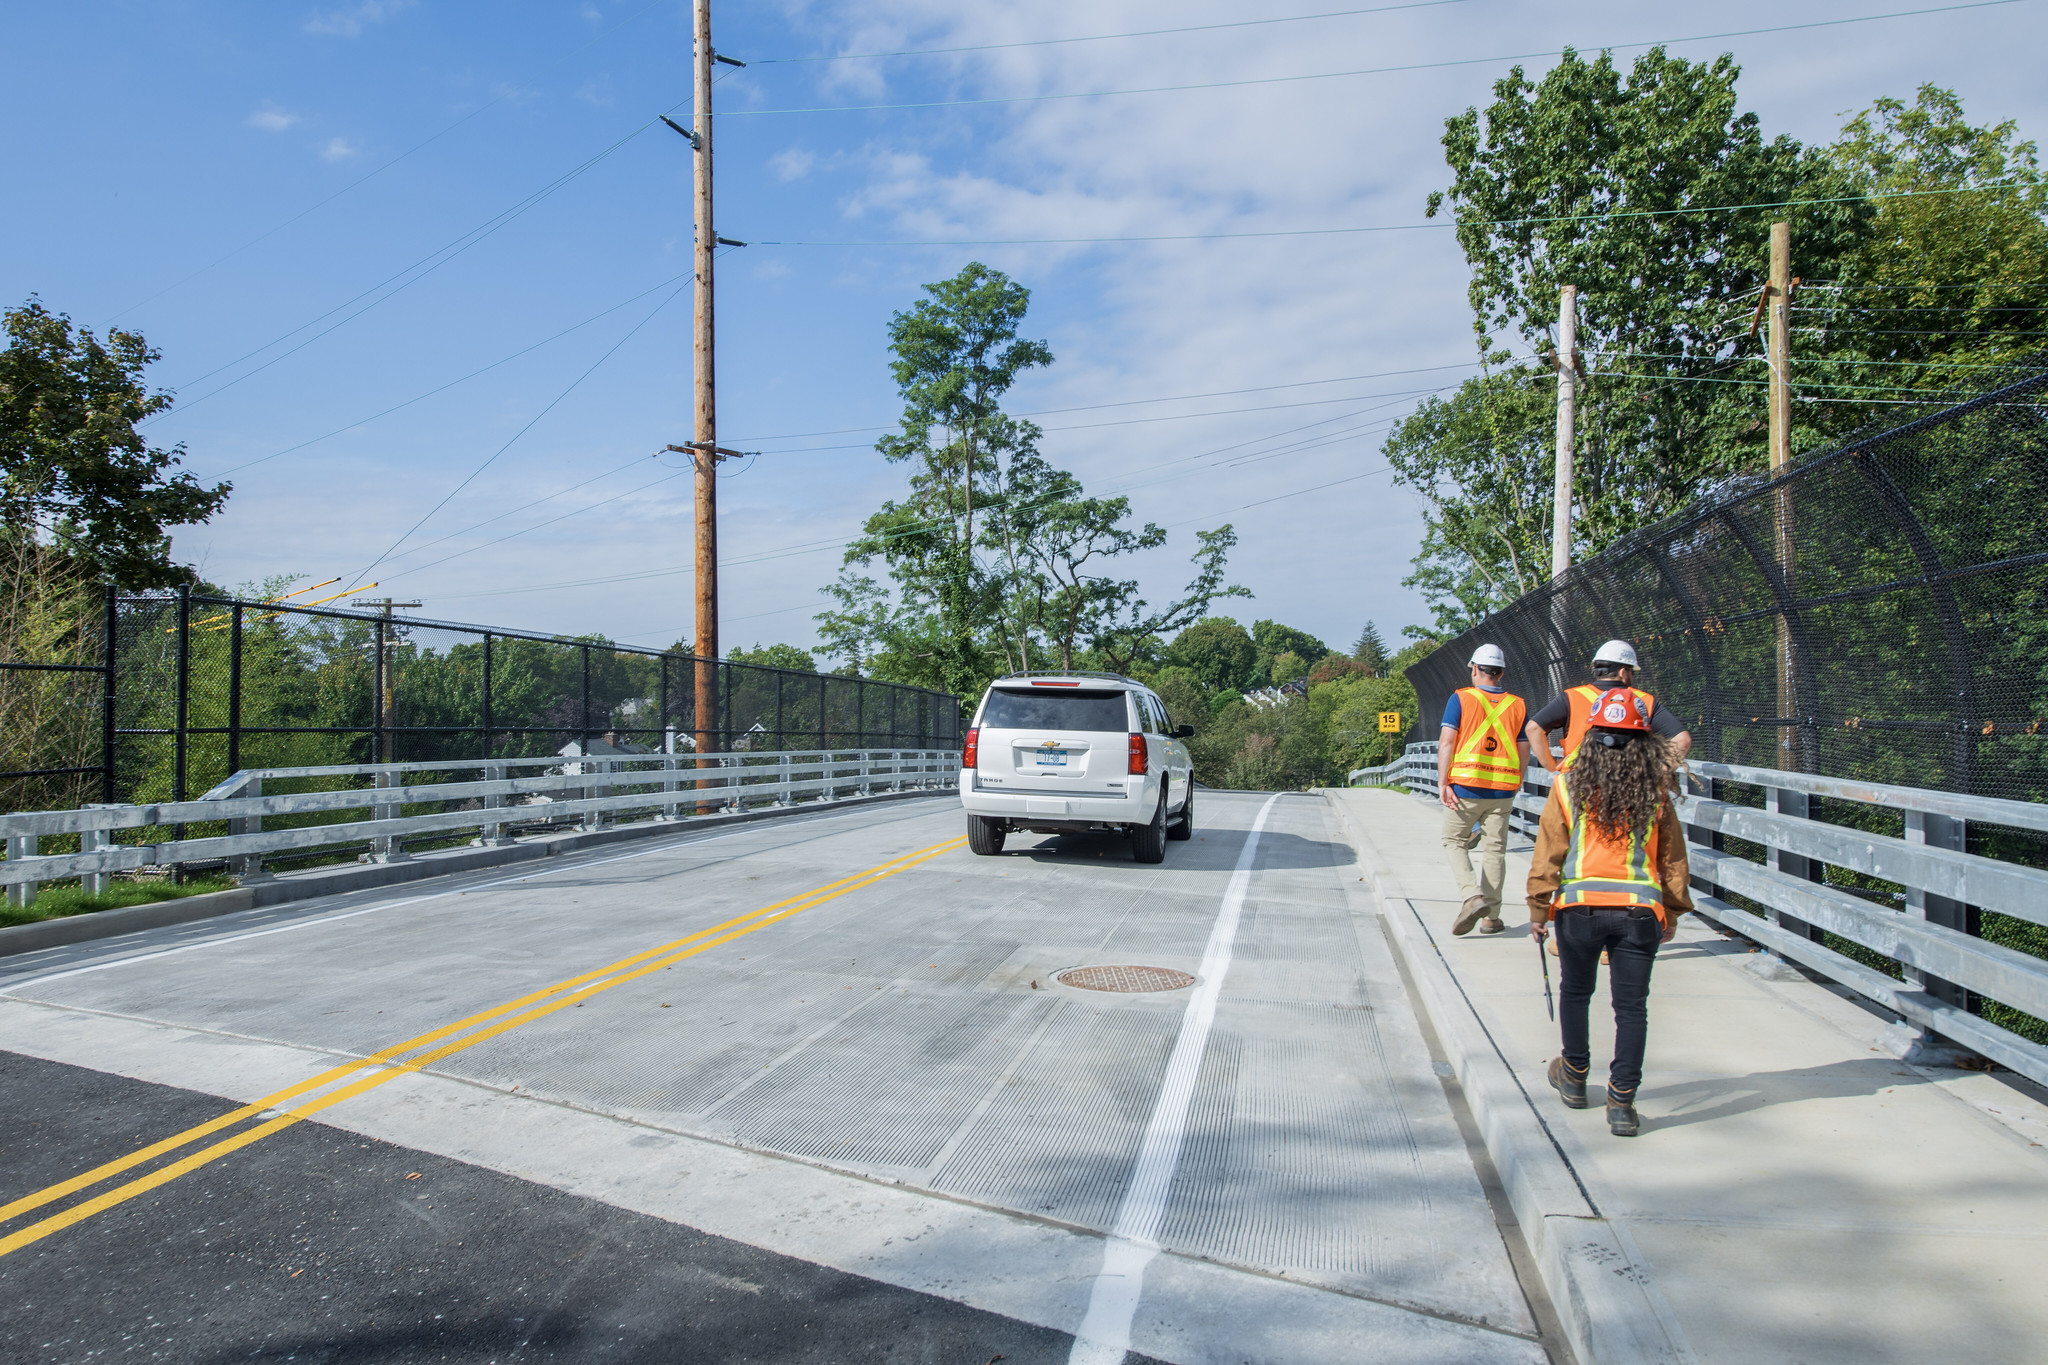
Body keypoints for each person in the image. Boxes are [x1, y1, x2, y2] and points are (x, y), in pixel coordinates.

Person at [1526, 688, 1693, 1137]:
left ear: (1593, 734)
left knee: (1576, 993)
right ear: (1644, 739)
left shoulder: (1567, 782)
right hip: (1639, 912)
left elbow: (1550, 850)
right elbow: (1672, 858)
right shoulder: (1656, 787)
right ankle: (1622, 1102)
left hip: (1579, 910)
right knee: (1631, 1007)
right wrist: (1672, 911)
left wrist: (1539, 908)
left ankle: (1575, 1076)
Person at [1438, 644, 1529, 937]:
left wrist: (1443, 782)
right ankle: (1491, 917)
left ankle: (1471, 896)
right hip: (1503, 789)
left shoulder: (1461, 698)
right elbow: (1523, 747)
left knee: (1454, 840)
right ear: (1501, 673)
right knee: (1495, 849)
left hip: (1464, 785)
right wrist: (1517, 780)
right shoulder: (1518, 704)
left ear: (1475, 669)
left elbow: (1447, 742)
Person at [1523, 639, 1693, 773]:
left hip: (1578, 781)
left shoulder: (1572, 697)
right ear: (1623, 672)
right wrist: (1655, 772)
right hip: (1628, 784)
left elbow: (1533, 728)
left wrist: (1552, 766)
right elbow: (1682, 740)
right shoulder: (1643, 700)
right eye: (1631, 671)